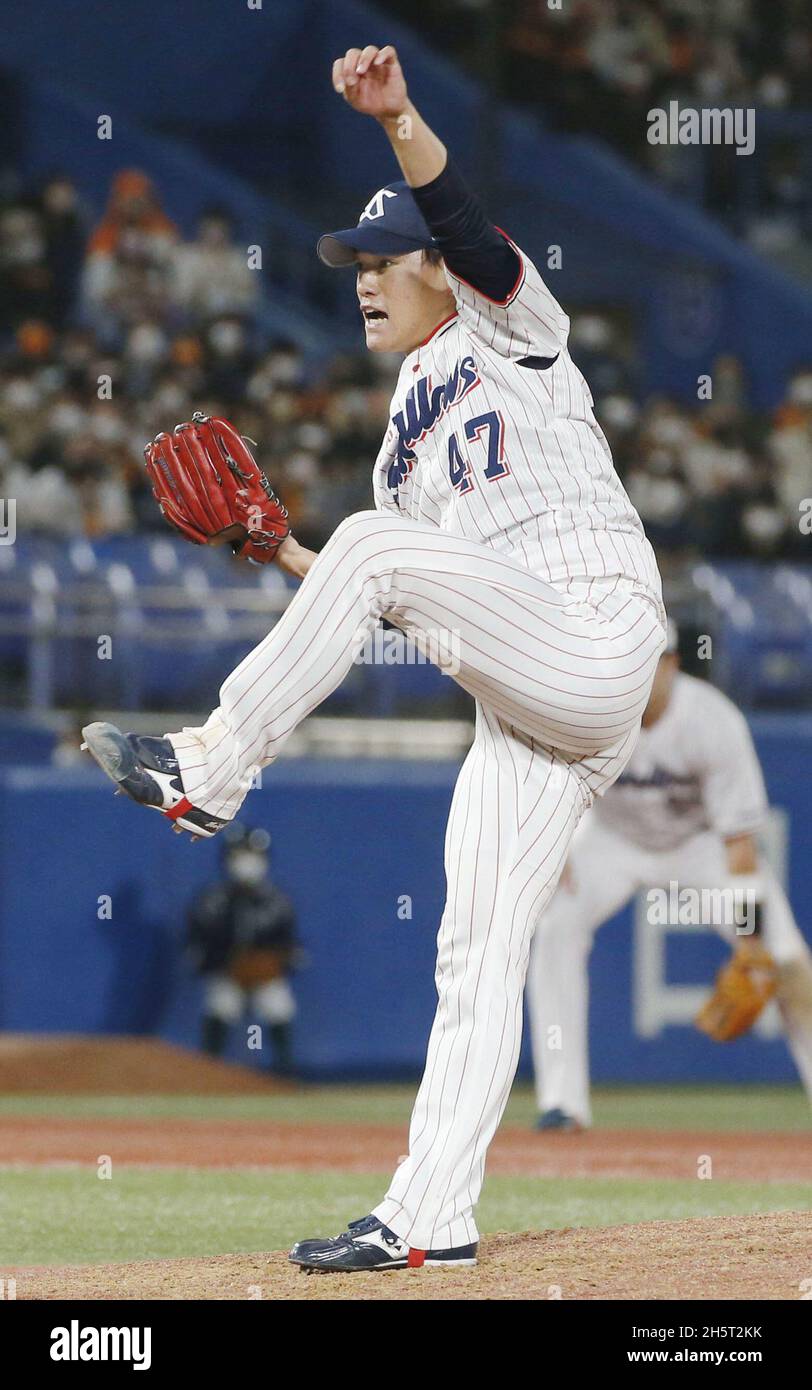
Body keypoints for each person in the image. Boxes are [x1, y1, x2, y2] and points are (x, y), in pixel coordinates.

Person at [82, 43, 666, 1272]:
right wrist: (287, 554)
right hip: (524, 695)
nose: (361, 278)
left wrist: (399, 120)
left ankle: (210, 765)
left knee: (370, 543)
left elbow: (460, 218)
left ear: (440, 272)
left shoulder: (514, 323)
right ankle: (427, 1221)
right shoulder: (395, 453)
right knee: (475, 945)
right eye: (351, 262)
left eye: (385, 259)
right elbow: (404, 602)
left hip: (595, 628)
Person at [527, 626, 812, 1130]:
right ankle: (563, 1102)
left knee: (787, 960)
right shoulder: (594, 711)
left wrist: (750, 942)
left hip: (700, 847)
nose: (635, 671)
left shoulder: (712, 720)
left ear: (672, 664)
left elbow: (739, 847)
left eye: (647, 660)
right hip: (611, 841)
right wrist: (555, 846)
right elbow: (551, 783)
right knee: (555, 927)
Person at [186, 825, 298, 1074]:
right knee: (221, 1005)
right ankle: (208, 1073)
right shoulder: (212, 901)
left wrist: (275, 962)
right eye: (239, 855)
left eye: (252, 855)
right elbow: (196, 947)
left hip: (265, 977)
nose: (246, 862)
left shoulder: (277, 901)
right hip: (226, 974)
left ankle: (286, 1073)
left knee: (278, 1005)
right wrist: (225, 963)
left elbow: (291, 947)